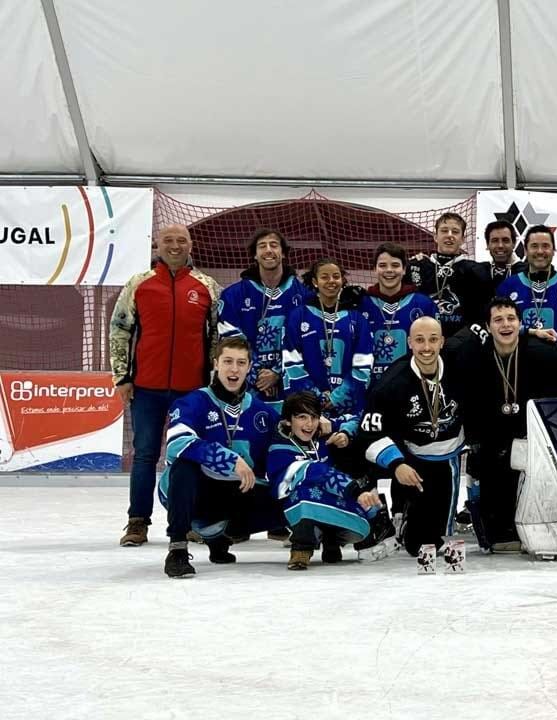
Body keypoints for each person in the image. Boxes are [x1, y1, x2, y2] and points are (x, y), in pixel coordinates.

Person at [444, 298, 557, 552]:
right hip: (494, 445)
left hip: (538, 443)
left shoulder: (545, 352)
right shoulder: (472, 356)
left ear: (520, 323)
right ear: (487, 326)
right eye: (498, 320)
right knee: (500, 539)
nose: (505, 325)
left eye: (511, 319)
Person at [111, 223, 221, 547]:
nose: (174, 246)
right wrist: (122, 377)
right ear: (157, 245)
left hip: (192, 393)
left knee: (186, 456)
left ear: (191, 245)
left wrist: (212, 386)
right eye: (168, 240)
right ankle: (137, 522)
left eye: (181, 241)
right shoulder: (138, 284)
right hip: (146, 388)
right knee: (145, 454)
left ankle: (186, 521)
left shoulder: (207, 287)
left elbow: (217, 338)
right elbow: (119, 330)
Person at [157, 338, 282, 578]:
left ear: (249, 367)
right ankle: (178, 550)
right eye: (227, 361)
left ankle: (218, 535)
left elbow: (284, 451)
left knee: (288, 496)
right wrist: (230, 460)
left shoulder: (262, 412)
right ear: (216, 364)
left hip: (234, 493)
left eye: (240, 363)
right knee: (184, 466)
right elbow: (176, 444)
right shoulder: (193, 402)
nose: (234, 369)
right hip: (193, 492)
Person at [357, 316, 467, 557]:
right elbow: (369, 432)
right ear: (409, 343)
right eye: (419, 340)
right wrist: (397, 465)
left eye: (432, 340)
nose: (426, 347)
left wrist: (531, 332)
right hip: (412, 459)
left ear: (442, 342)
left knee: (441, 533)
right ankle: (404, 517)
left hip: (450, 455)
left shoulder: (460, 366)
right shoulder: (392, 382)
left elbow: (495, 332)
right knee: (418, 544)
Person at [267, 391, 395, 570]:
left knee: (353, 459)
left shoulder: (321, 434)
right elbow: (314, 471)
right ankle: (301, 549)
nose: (309, 424)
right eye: (302, 417)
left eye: (314, 417)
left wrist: (344, 432)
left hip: (330, 504)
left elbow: (360, 418)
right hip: (294, 510)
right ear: (288, 420)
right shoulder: (279, 449)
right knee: (304, 493)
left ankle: (334, 539)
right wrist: (354, 490)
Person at [216, 229, 308, 408]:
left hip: (292, 390)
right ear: (255, 256)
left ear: (283, 254)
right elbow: (231, 342)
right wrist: (259, 376)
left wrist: (276, 372)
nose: (268, 250)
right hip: (247, 388)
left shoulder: (304, 294)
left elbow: (307, 342)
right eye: (262, 246)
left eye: (274, 245)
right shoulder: (232, 295)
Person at [282, 258, 373, 422]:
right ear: (315, 282)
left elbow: (364, 362)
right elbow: (291, 361)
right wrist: (316, 396)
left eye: (336, 276)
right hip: (309, 406)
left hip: (348, 408)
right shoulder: (298, 315)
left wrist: (338, 396)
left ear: (342, 280)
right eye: (325, 277)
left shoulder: (356, 318)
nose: (331, 281)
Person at [496, 224, 557, 361]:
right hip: (519, 368)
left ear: (554, 250)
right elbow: (499, 329)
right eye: (534, 246)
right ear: (525, 250)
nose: (540, 251)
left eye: (546, 246)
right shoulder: (508, 287)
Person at [359, 242, 438, 385]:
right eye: (382, 265)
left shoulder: (424, 304)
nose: (389, 270)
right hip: (371, 389)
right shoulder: (360, 304)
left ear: (404, 270)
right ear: (374, 269)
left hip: (411, 386)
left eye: (395, 265)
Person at [408, 212, 473, 337]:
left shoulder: (473, 269)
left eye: (455, 231)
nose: (450, 235)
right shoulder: (416, 266)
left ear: (462, 239)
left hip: (459, 345)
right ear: (435, 236)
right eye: (444, 230)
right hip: (424, 342)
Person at [459, 220, 526, 327]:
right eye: (494, 240)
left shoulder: (526, 273)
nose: (500, 245)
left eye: (505, 240)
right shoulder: (476, 271)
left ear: (513, 244)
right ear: (487, 244)